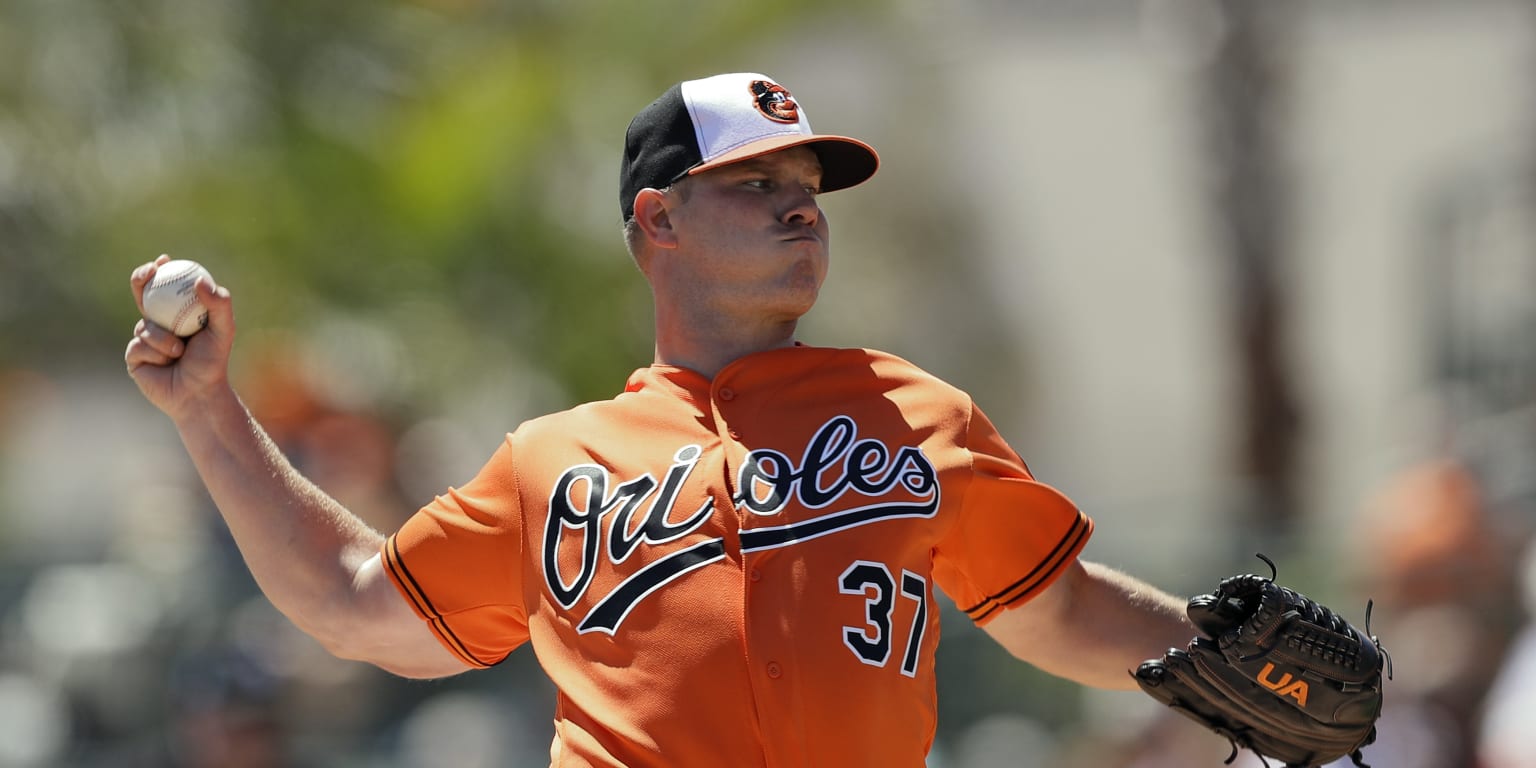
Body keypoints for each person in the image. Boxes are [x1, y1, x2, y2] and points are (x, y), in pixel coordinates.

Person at [124, 72, 1195, 767]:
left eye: (810, 183)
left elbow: (1055, 611)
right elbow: (357, 605)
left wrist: (1229, 663)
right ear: (658, 215)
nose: (802, 205)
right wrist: (209, 408)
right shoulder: (553, 462)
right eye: (756, 180)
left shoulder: (912, 410)